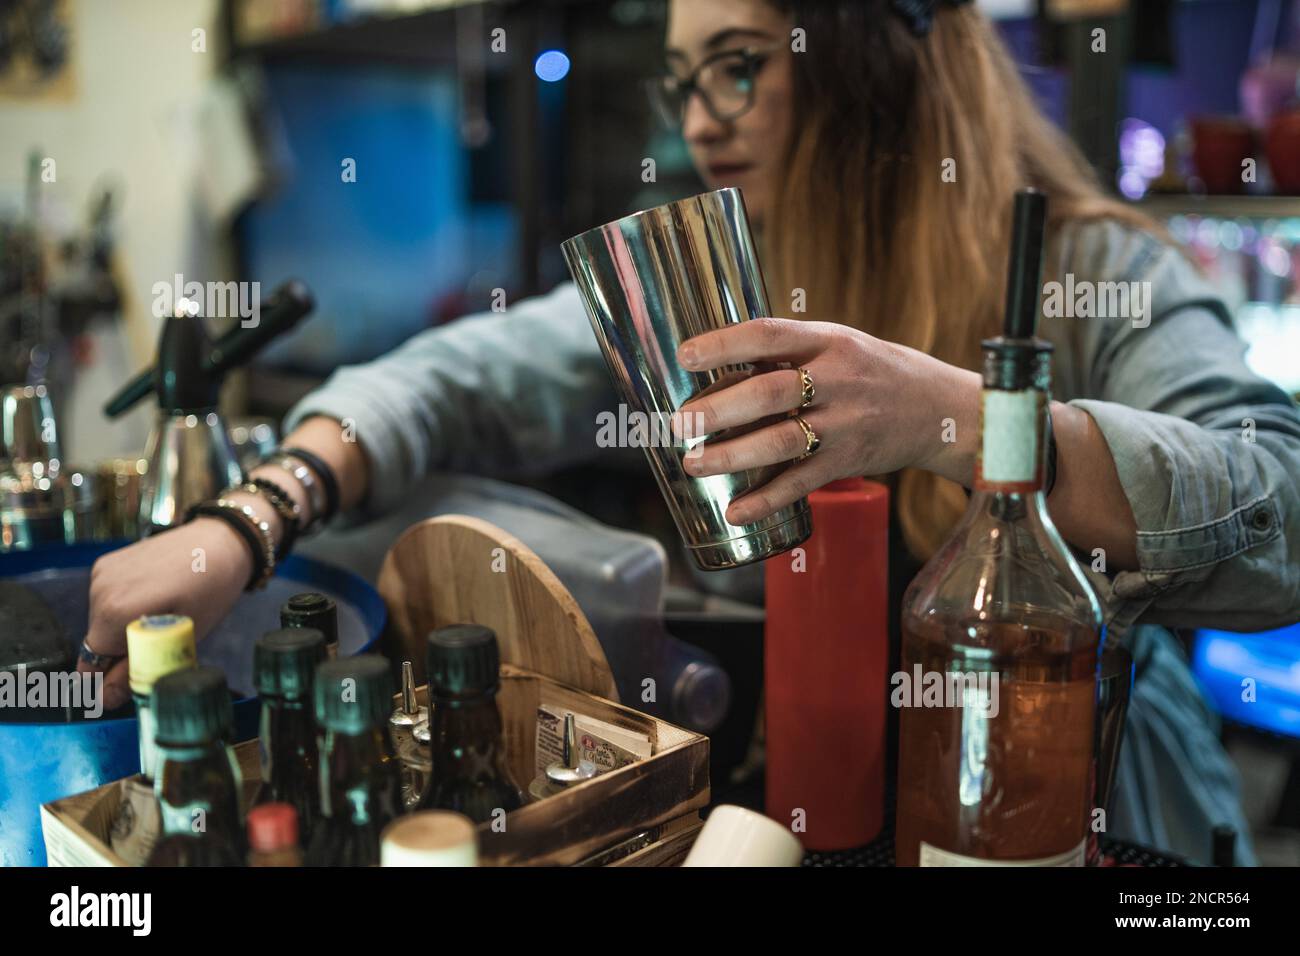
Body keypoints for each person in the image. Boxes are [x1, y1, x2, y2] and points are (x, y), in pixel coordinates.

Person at [83, 0, 1299, 862]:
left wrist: (952, 417)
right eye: (682, 81)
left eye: (736, 66)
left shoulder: (1093, 269)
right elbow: (458, 376)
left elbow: (1279, 506)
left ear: (871, 64)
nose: (697, 121)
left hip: (1076, 812)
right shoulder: (740, 287)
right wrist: (253, 515)